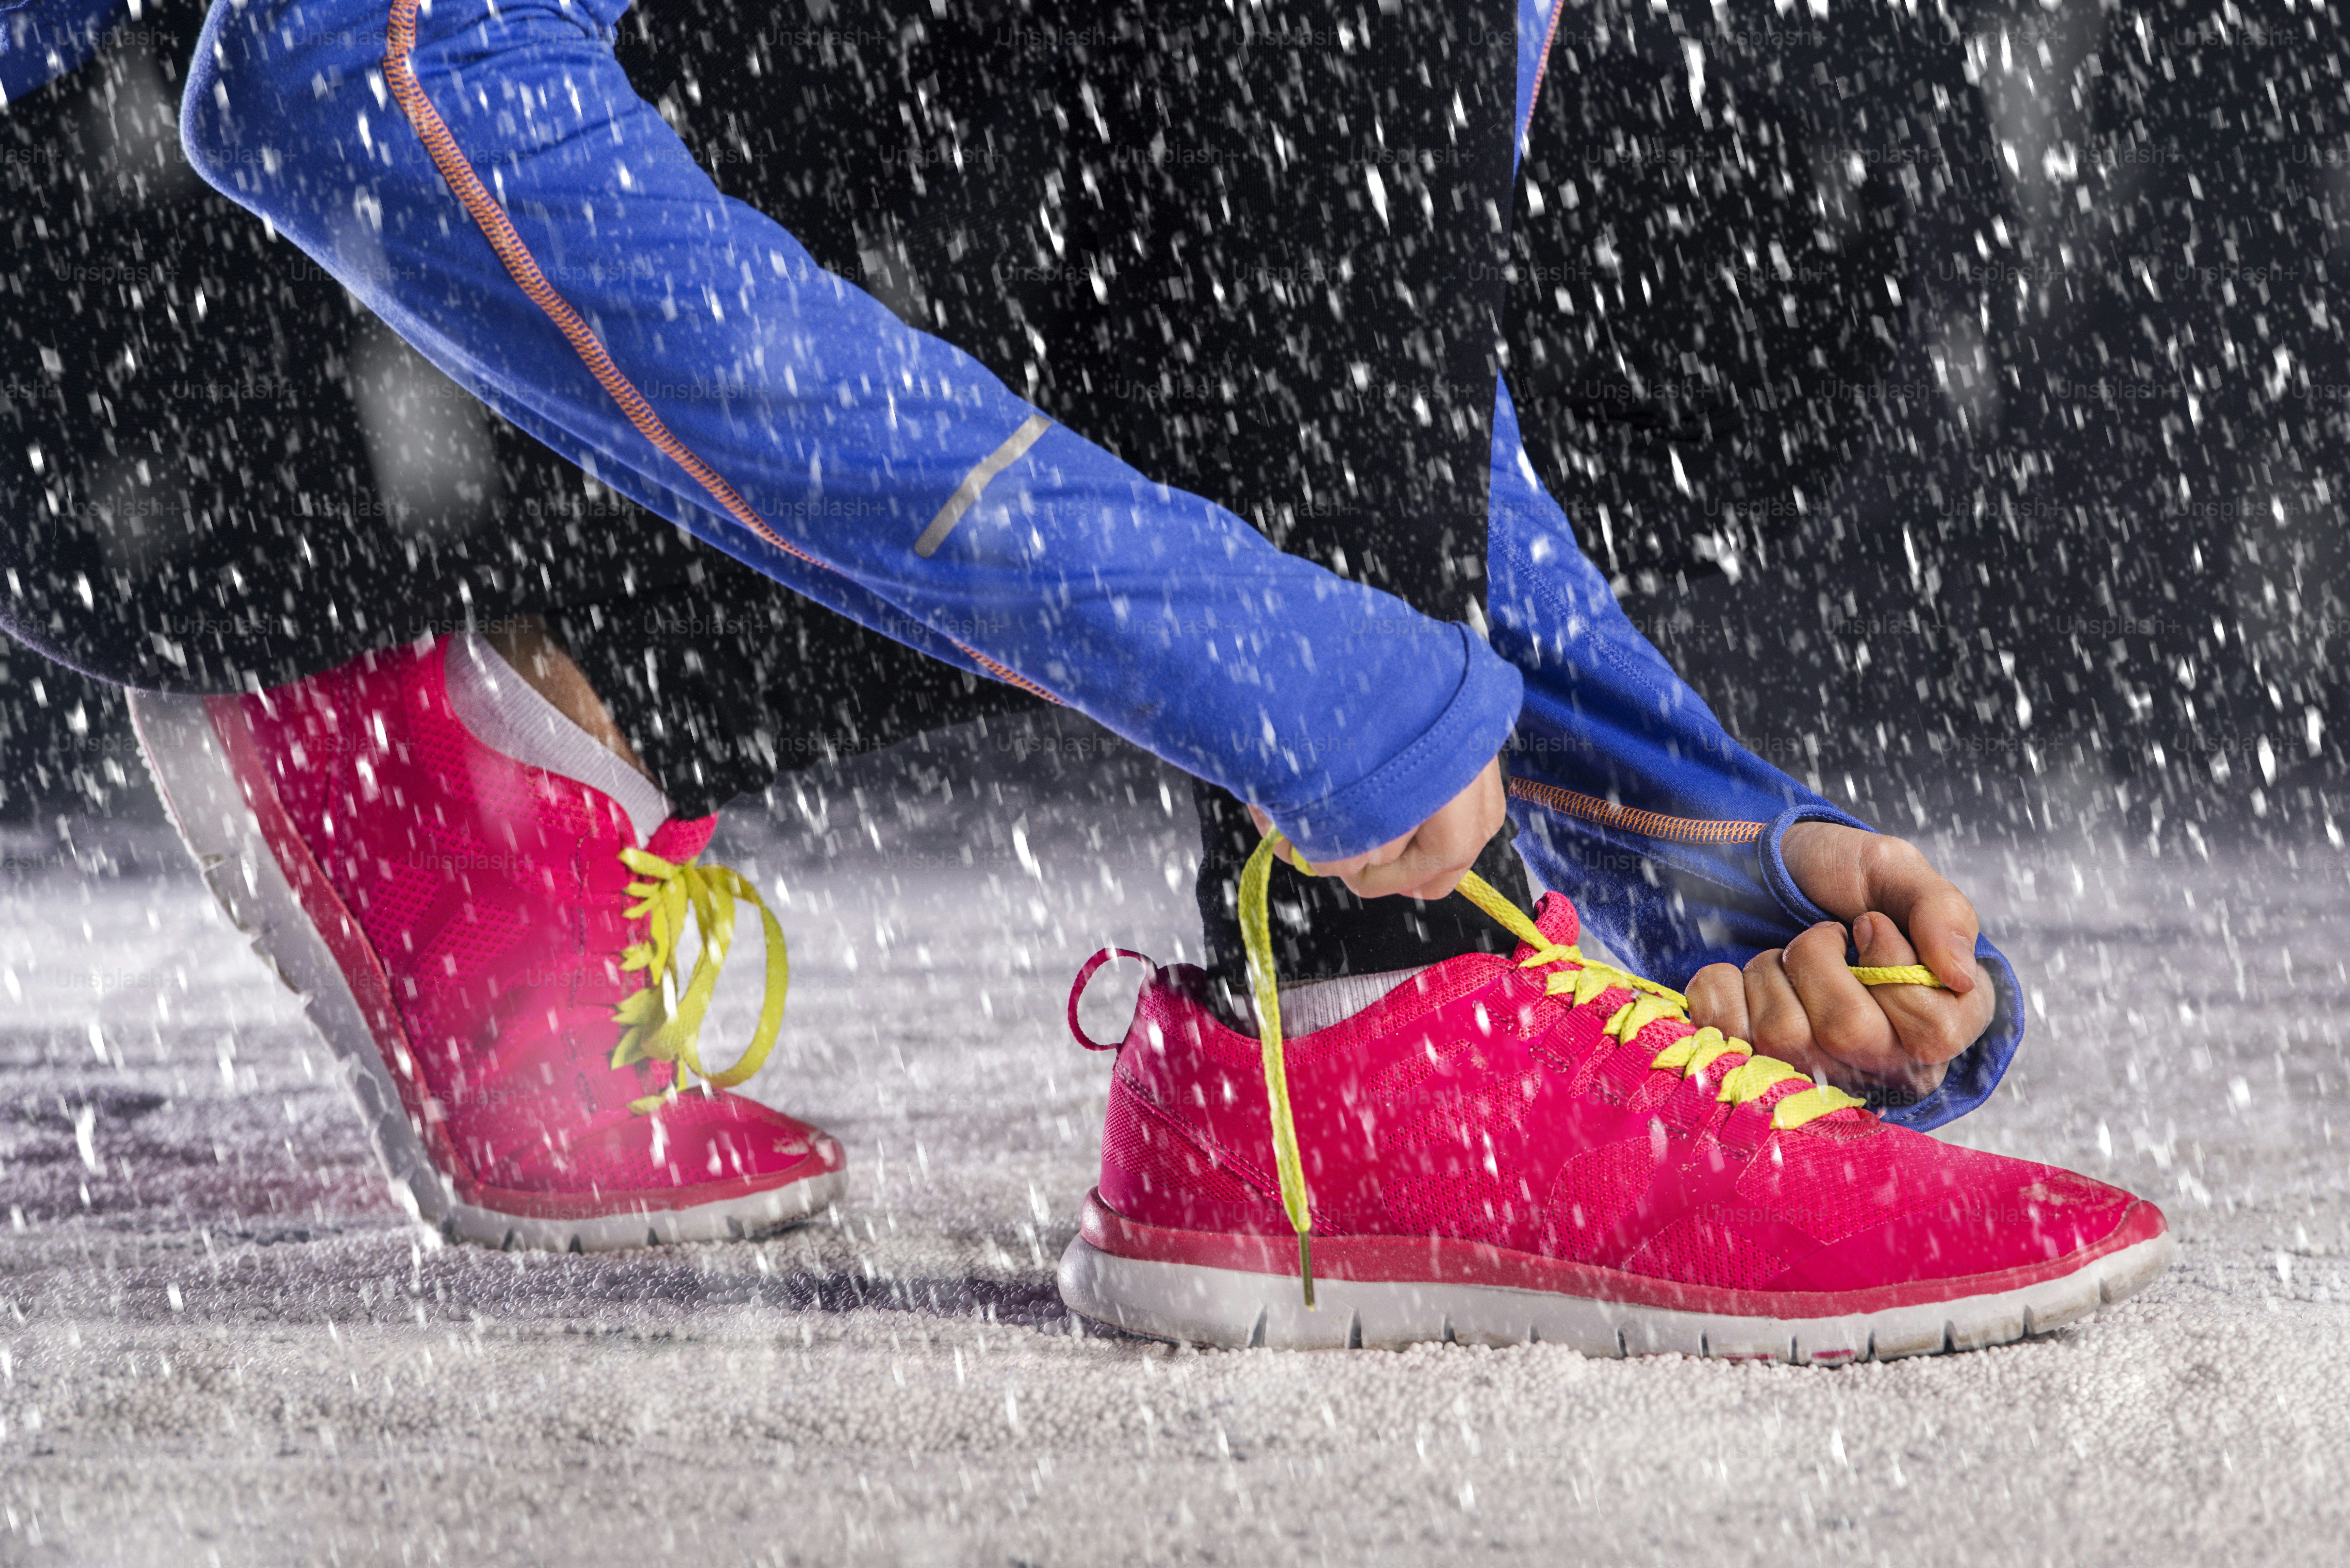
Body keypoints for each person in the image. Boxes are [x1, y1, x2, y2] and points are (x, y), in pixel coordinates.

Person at [2, 0, 2167, 1353]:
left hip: (338, 290)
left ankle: (507, 718)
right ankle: (1369, 1031)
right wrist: (1252, 660)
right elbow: (361, 83)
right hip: (136, 289)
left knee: (1738, 234)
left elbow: (1315, 262)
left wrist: (1657, 800)